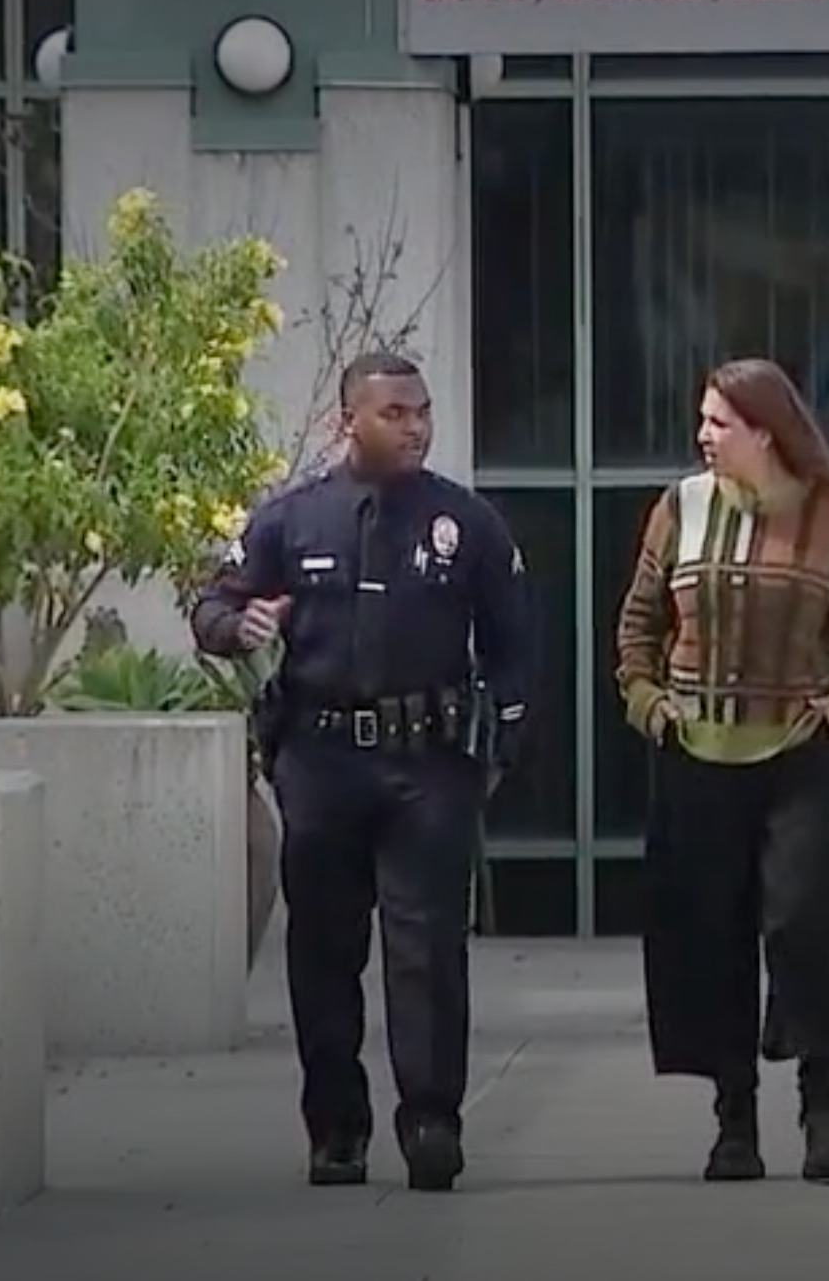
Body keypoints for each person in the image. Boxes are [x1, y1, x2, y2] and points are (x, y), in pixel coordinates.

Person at [189, 352, 536, 1193]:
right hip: (321, 760)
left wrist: (499, 747)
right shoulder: (291, 520)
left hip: (428, 763)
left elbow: (516, 645)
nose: (415, 425)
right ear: (351, 419)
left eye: (422, 411)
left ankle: (430, 1119)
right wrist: (239, 625)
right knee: (324, 952)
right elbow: (210, 606)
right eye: (395, 413)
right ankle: (336, 1128)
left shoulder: (467, 523)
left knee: (426, 951)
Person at [613, 357, 829, 1184]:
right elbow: (638, 619)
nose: (702, 435)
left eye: (717, 421)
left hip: (793, 755)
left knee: (801, 923)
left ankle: (820, 1104)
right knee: (707, 934)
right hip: (695, 757)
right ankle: (732, 1119)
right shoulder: (678, 508)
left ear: (764, 431)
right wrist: (645, 698)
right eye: (701, 420)